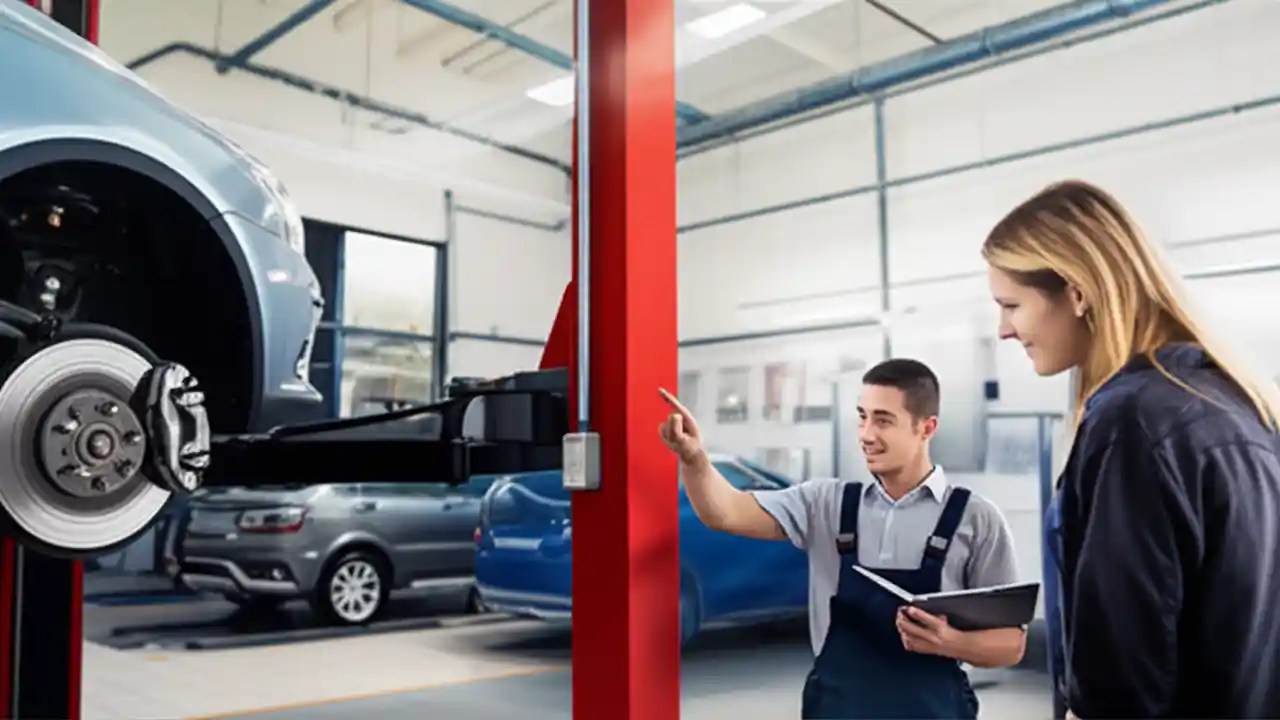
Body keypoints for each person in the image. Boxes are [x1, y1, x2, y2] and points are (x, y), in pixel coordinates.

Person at [983, 179, 1280, 719]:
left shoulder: (1133, 424)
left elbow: (1121, 673)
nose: (1003, 329)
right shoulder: (1239, 403)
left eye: (1011, 305)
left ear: (1076, 292)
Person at [658, 359, 1026, 719]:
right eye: (862, 417)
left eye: (883, 421)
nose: (866, 434)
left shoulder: (975, 519)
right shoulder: (825, 505)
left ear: (926, 428)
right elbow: (726, 512)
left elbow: (1011, 644)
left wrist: (952, 643)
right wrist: (694, 460)